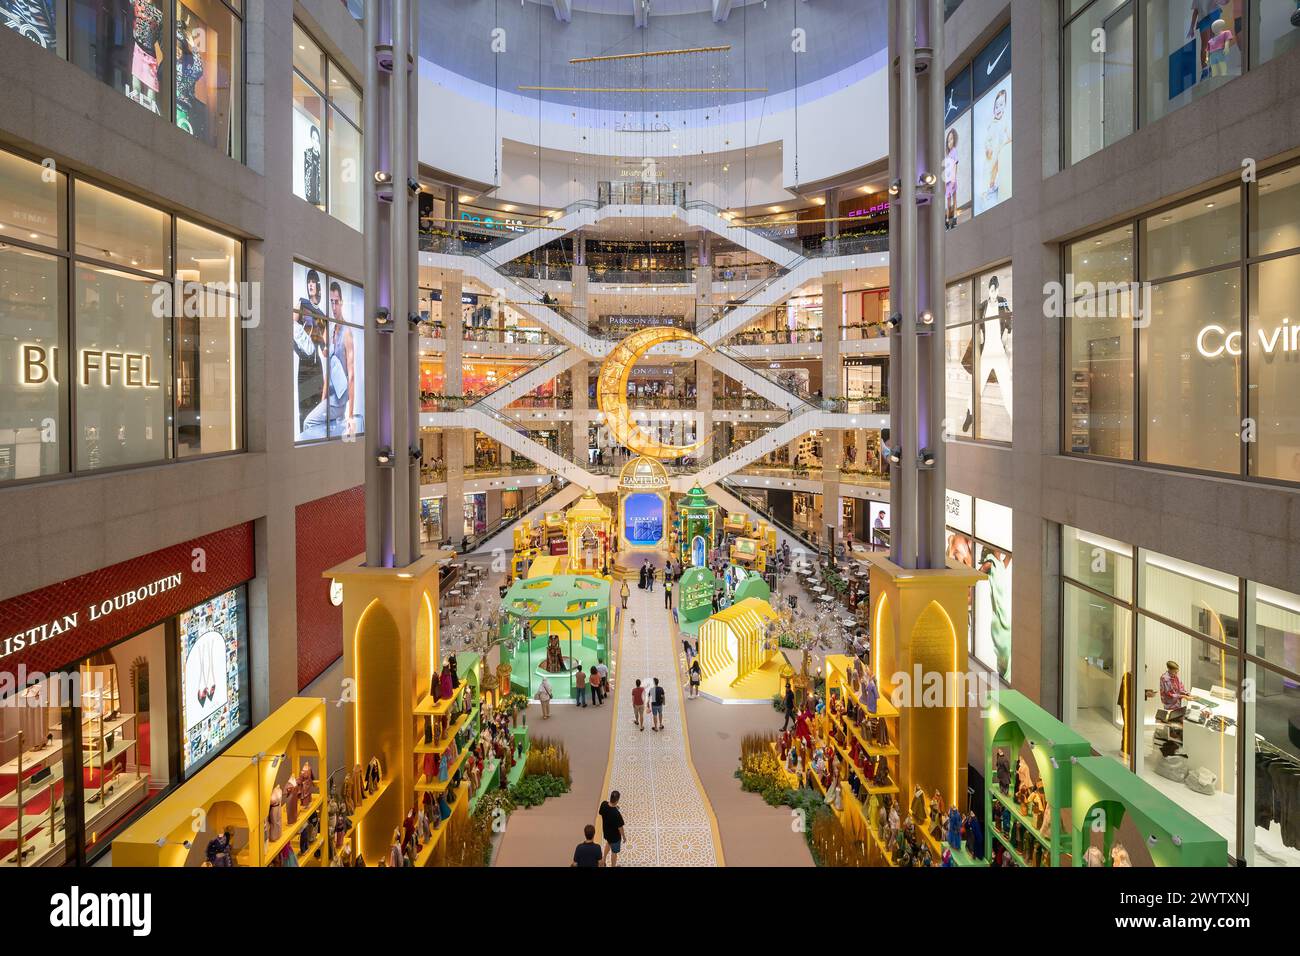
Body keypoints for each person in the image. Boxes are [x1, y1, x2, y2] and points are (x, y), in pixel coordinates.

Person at [598, 791, 625, 867]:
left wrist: (613, 807)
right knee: (614, 852)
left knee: (608, 843)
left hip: (606, 832)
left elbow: (601, 812)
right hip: (615, 836)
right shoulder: (617, 814)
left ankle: (603, 859)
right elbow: (620, 827)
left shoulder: (603, 804)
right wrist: (624, 837)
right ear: (617, 800)